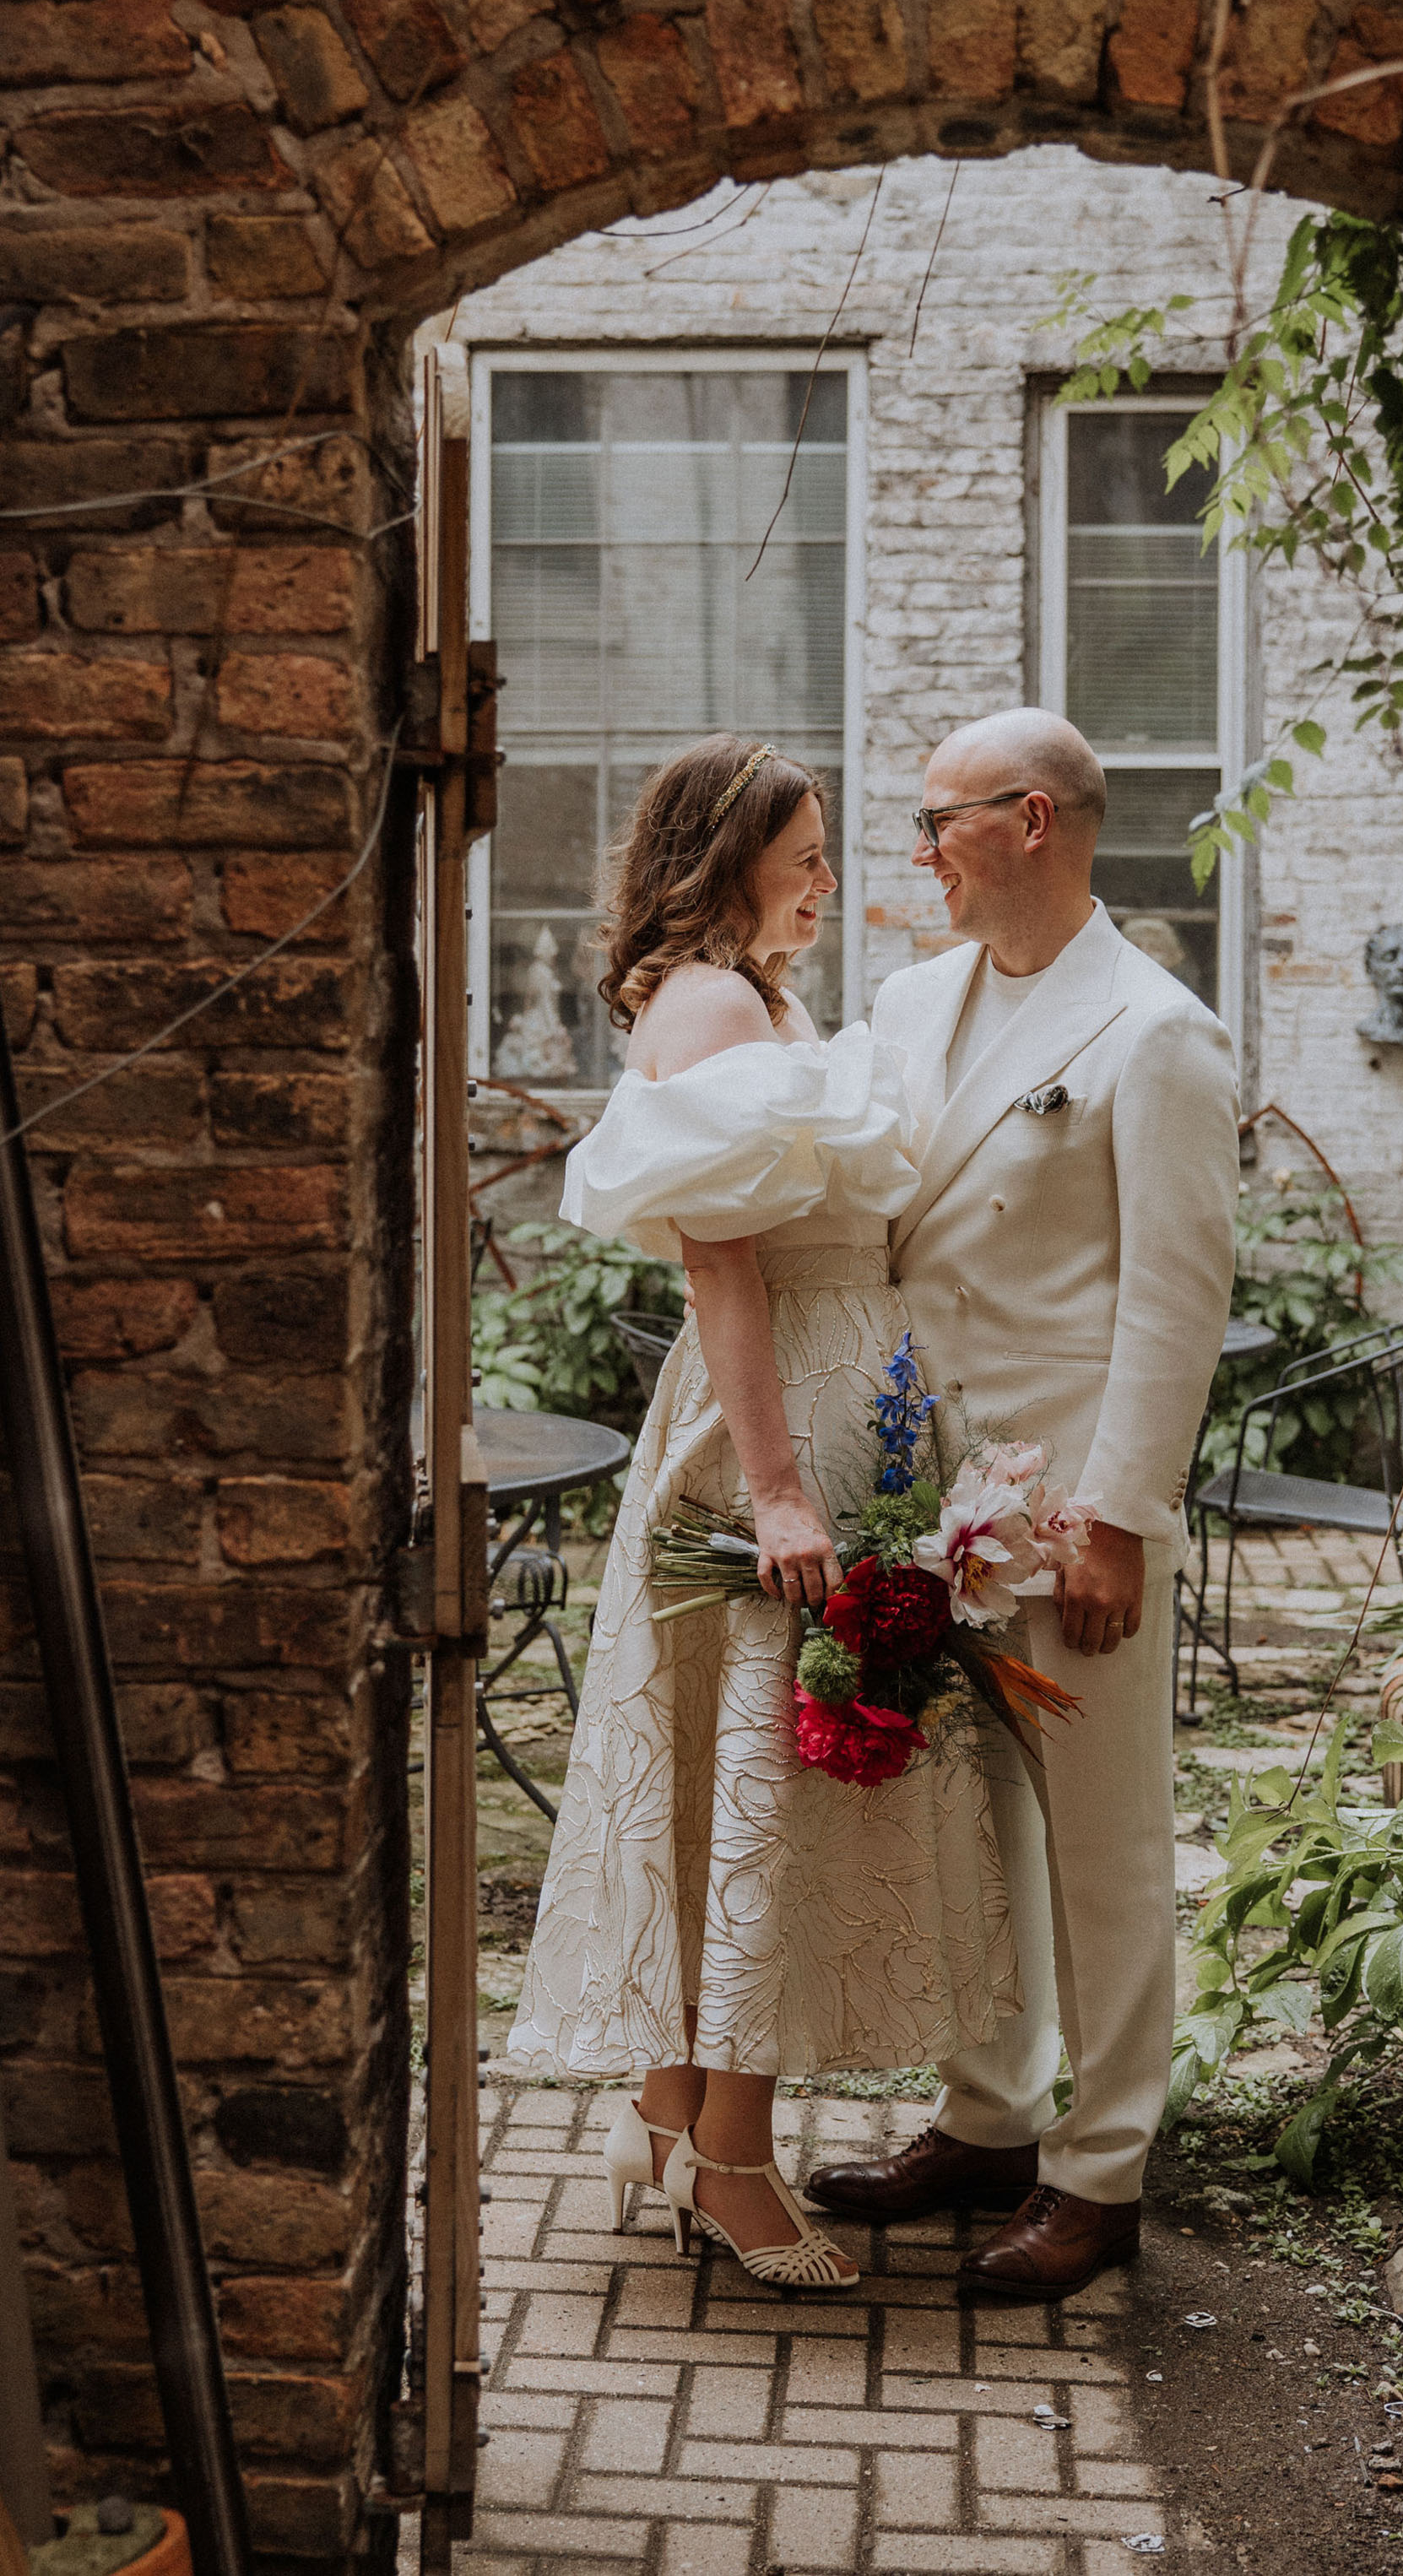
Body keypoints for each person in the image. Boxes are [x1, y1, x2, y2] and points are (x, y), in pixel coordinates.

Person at [508, 734, 1019, 2293]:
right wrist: (785, 1485)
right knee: (766, 1783)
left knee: (725, 1785)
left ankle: (671, 2123)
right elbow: (723, 1261)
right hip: (776, 1419)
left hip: (823, 1397)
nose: (824, 878)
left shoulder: (754, 995)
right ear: (726, 854)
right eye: (801, 853)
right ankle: (733, 2163)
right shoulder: (721, 1002)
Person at [806, 707, 1240, 2300]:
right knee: (970, 1830)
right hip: (924, 1489)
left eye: (941, 819)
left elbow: (1178, 1296)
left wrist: (1121, 1511)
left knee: (1104, 1846)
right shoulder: (915, 996)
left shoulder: (1154, 1029)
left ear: (1036, 817)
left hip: (1067, 1509)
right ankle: (986, 2119)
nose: (917, 849)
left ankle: (1103, 2164)